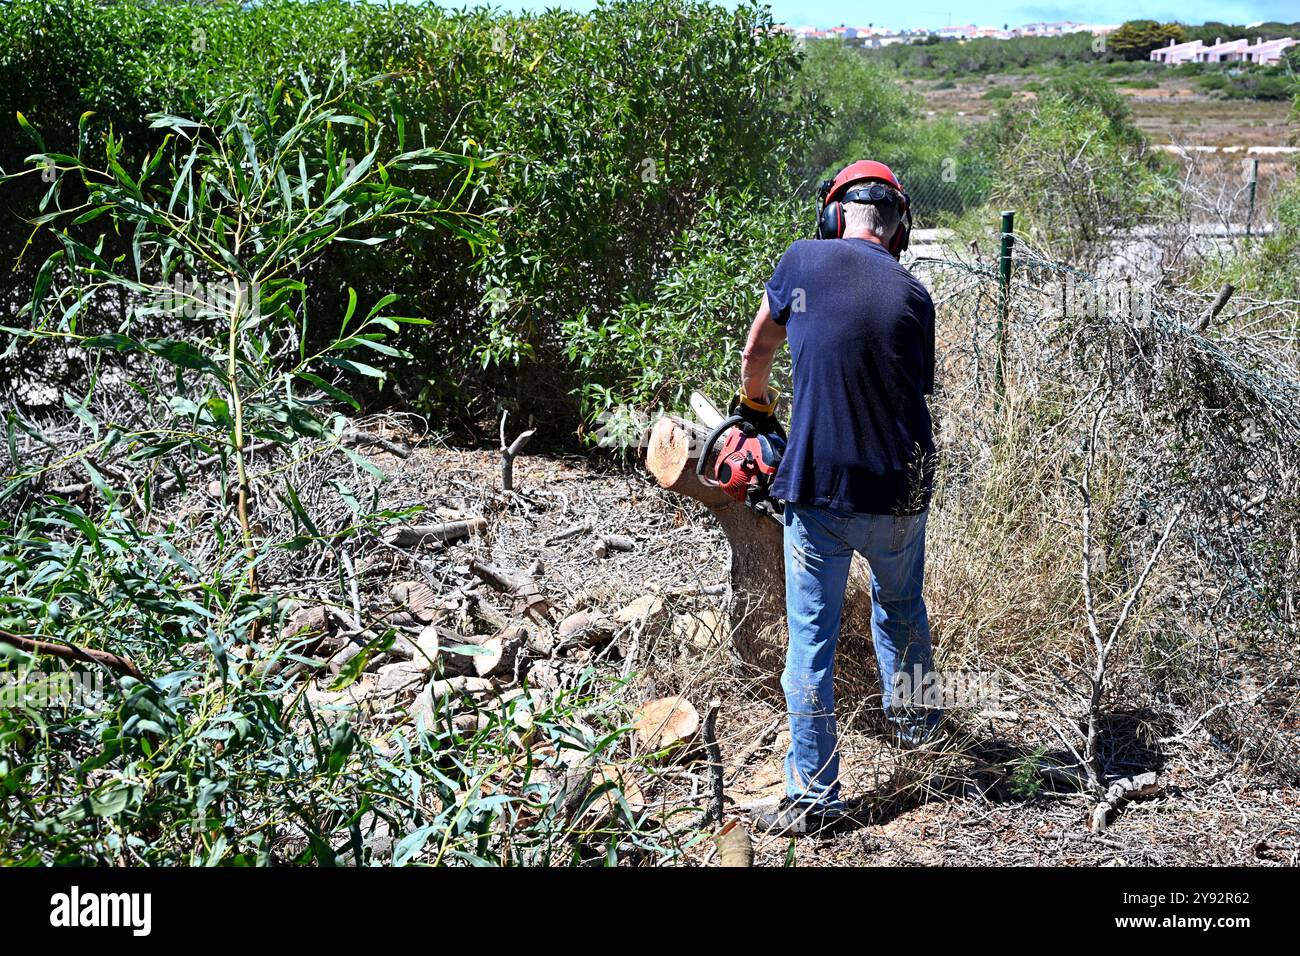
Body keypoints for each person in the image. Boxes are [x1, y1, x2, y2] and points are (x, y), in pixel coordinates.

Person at [735, 161, 940, 835]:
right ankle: (922, 744)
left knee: (812, 640)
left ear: (833, 215)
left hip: (820, 491)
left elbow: (756, 351)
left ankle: (814, 797)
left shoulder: (801, 262)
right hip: (901, 489)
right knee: (903, 610)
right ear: (897, 226)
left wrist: (756, 410)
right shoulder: (914, 296)